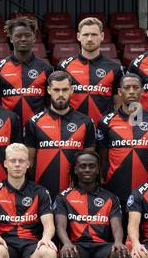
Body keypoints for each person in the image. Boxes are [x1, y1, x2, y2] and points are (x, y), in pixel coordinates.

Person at [53, 152, 135, 258]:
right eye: (82, 166)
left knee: (123, 255)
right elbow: (60, 226)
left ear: (98, 169)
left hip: (102, 247)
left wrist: (119, 242)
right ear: (75, 169)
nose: (87, 169)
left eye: (91, 166)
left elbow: (117, 226)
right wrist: (66, 243)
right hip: (77, 247)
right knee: (67, 255)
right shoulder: (63, 197)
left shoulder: (110, 197)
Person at [96, 73, 148, 205]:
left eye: (136, 87)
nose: (131, 91)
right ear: (120, 91)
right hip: (115, 190)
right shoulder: (105, 121)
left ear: (142, 91)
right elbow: (102, 157)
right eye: (127, 87)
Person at [25, 70, 95, 199]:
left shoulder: (86, 122)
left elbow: (90, 163)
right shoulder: (34, 122)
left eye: (65, 89)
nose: (61, 94)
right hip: (43, 193)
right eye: (56, 90)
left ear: (72, 90)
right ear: (49, 90)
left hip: (76, 194)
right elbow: (30, 164)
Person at [58, 17, 123, 125]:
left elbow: (118, 103)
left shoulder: (115, 68)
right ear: (78, 36)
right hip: (72, 130)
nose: (89, 39)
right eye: (85, 35)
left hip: (104, 129)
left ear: (102, 36)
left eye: (94, 35)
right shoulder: (64, 67)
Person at [0, 16, 54, 127]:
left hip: (38, 128)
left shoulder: (46, 68)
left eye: (27, 35)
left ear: (34, 38)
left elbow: (50, 103)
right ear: (11, 38)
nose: (23, 39)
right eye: (18, 36)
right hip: (8, 126)